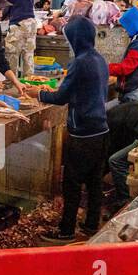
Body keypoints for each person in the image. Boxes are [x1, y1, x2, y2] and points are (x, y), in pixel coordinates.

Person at [26, 15, 109, 242]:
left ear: (75, 38)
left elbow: (62, 97)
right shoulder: (99, 59)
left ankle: (66, 231)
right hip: (101, 130)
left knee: (72, 184)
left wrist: (39, 94)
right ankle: (92, 224)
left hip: (82, 133)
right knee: (93, 182)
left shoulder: (79, 62)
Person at [108, 0, 138, 103]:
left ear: (132, 25)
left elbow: (125, 68)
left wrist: (104, 67)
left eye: (125, 27)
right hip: (134, 89)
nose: (124, 31)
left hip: (133, 94)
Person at [1, 0, 37, 78]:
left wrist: (0, 18)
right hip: (31, 24)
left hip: (18, 24)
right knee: (29, 55)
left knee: (12, 55)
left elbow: (6, 6)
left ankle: (11, 85)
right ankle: (30, 86)